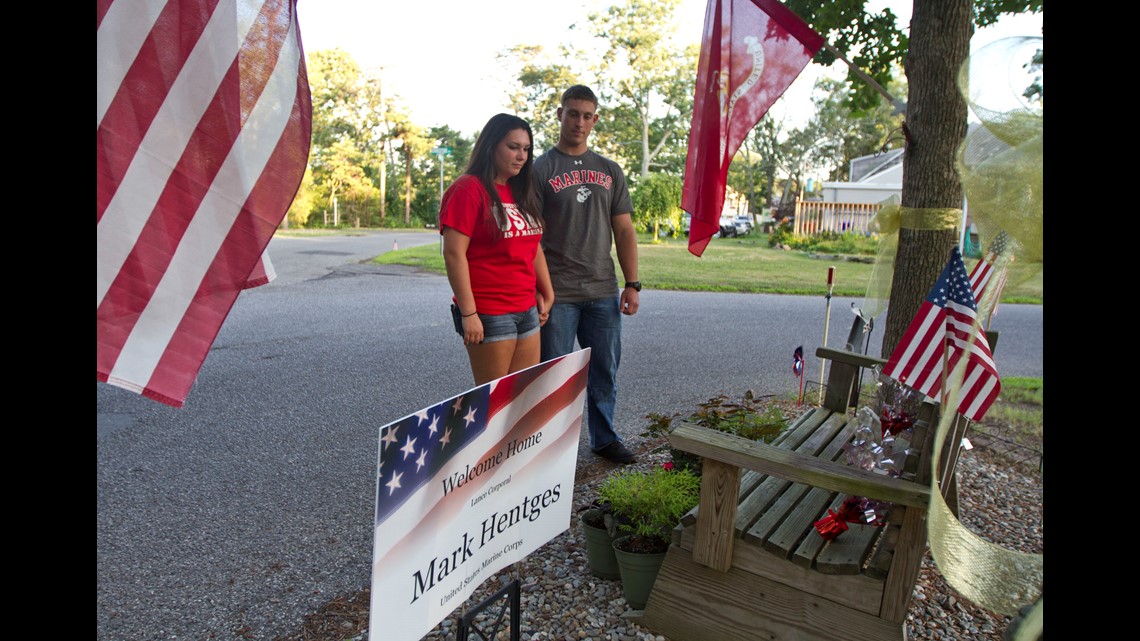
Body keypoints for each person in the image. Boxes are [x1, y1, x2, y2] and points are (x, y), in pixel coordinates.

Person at [532, 85, 640, 465]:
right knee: (554, 376)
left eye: (587, 115)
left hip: (603, 291)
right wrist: (541, 291)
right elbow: (531, 237)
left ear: (595, 120)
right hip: (558, 293)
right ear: (559, 114)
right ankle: (549, 449)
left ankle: (604, 439)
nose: (579, 121)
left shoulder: (610, 170)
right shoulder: (539, 169)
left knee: (604, 371)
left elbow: (624, 231)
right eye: (573, 113)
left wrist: (632, 283)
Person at [440, 113, 554, 386]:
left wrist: (548, 293)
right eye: (513, 147)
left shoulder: (520, 191)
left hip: (526, 309)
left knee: (520, 399)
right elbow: (454, 253)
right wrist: (469, 314)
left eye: (526, 149)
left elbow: (532, 246)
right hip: (489, 313)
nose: (522, 156)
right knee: (493, 403)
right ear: (491, 146)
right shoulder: (468, 189)